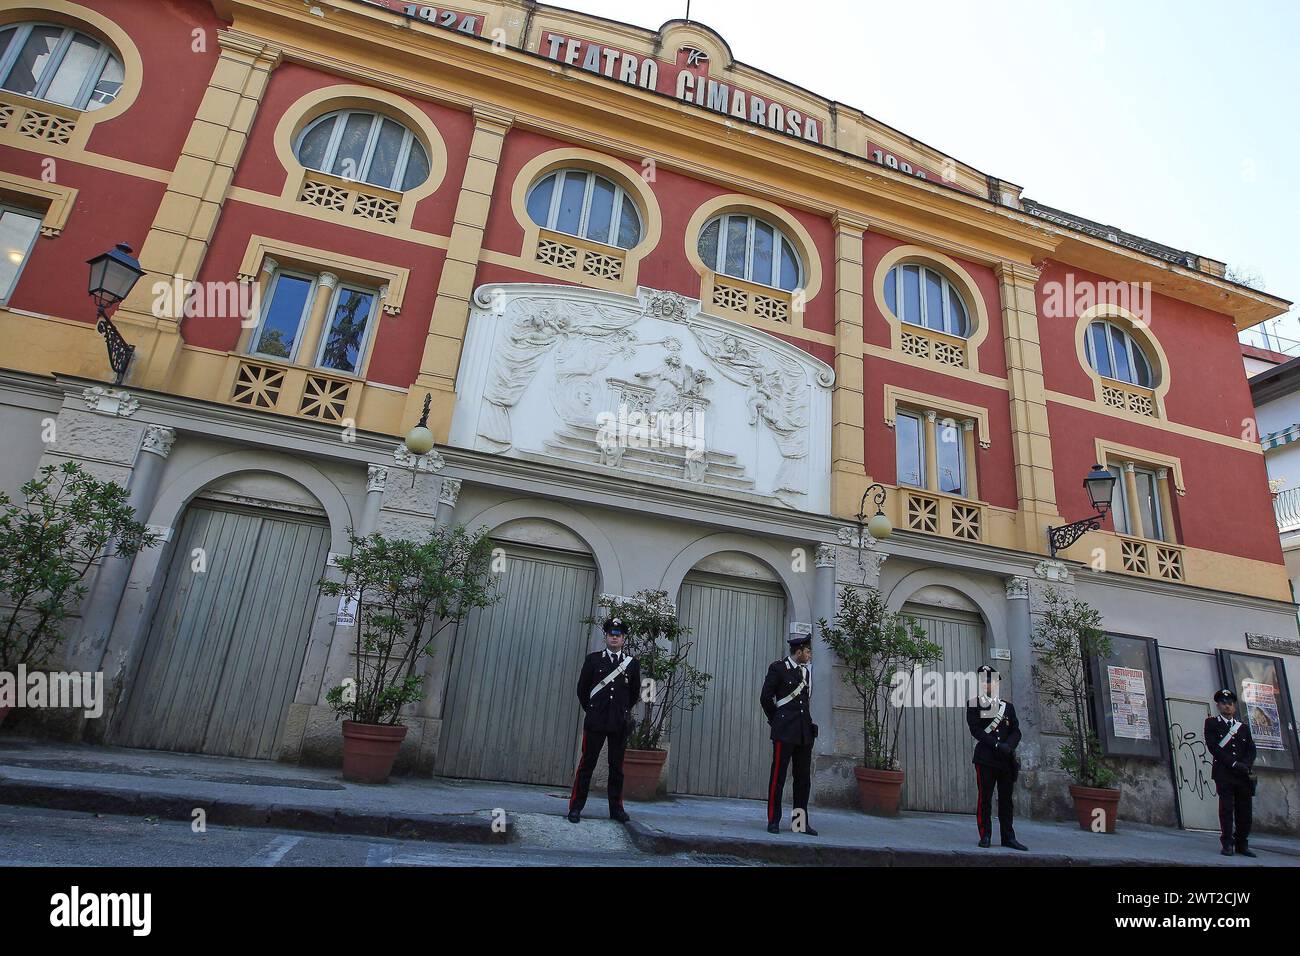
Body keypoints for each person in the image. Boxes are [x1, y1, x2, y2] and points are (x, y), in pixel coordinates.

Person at [567, 616, 640, 824]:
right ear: (606, 637)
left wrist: (621, 712)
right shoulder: (593, 660)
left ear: (624, 638)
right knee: (586, 765)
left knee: (616, 768)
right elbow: (582, 690)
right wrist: (592, 711)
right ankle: (576, 808)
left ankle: (616, 809)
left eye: (618, 635)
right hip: (596, 722)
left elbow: (634, 694)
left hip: (618, 724)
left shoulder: (632, 665)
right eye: (611, 635)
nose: (614, 638)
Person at [760, 635, 818, 835]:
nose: (810, 655)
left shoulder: (806, 673)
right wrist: (776, 720)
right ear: (799, 651)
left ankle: (799, 824)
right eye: (808, 651)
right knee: (778, 777)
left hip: (803, 734)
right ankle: (773, 820)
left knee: (803, 780)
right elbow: (766, 697)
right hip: (784, 732)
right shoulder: (778, 668)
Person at [966, 664, 1027, 851]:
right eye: (985, 681)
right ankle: (985, 835)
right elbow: (976, 730)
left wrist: (1009, 745)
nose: (988, 685)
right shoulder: (974, 704)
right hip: (985, 759)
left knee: (1006, 800)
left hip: (1005, 761)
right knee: (985, 798)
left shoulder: (1008, 707)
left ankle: (1008, 837)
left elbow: (1016, 730)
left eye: (991, 681)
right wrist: (996, 744)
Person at [1204, 687, 1257, 857]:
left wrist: (1246, 764)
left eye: (1230, 703)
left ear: (1234, 706)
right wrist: (1233, 763)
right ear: (1218, 706)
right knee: (1226, 810)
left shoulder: (1243, 727)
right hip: (1224, 773)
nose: (1227, 706)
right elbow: (1213, 747)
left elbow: (1251, 749)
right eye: (1223, 703)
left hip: (1242, 775)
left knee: (1245, 811)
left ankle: (1242, 843)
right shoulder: (1212, 723)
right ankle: (1227, 843)